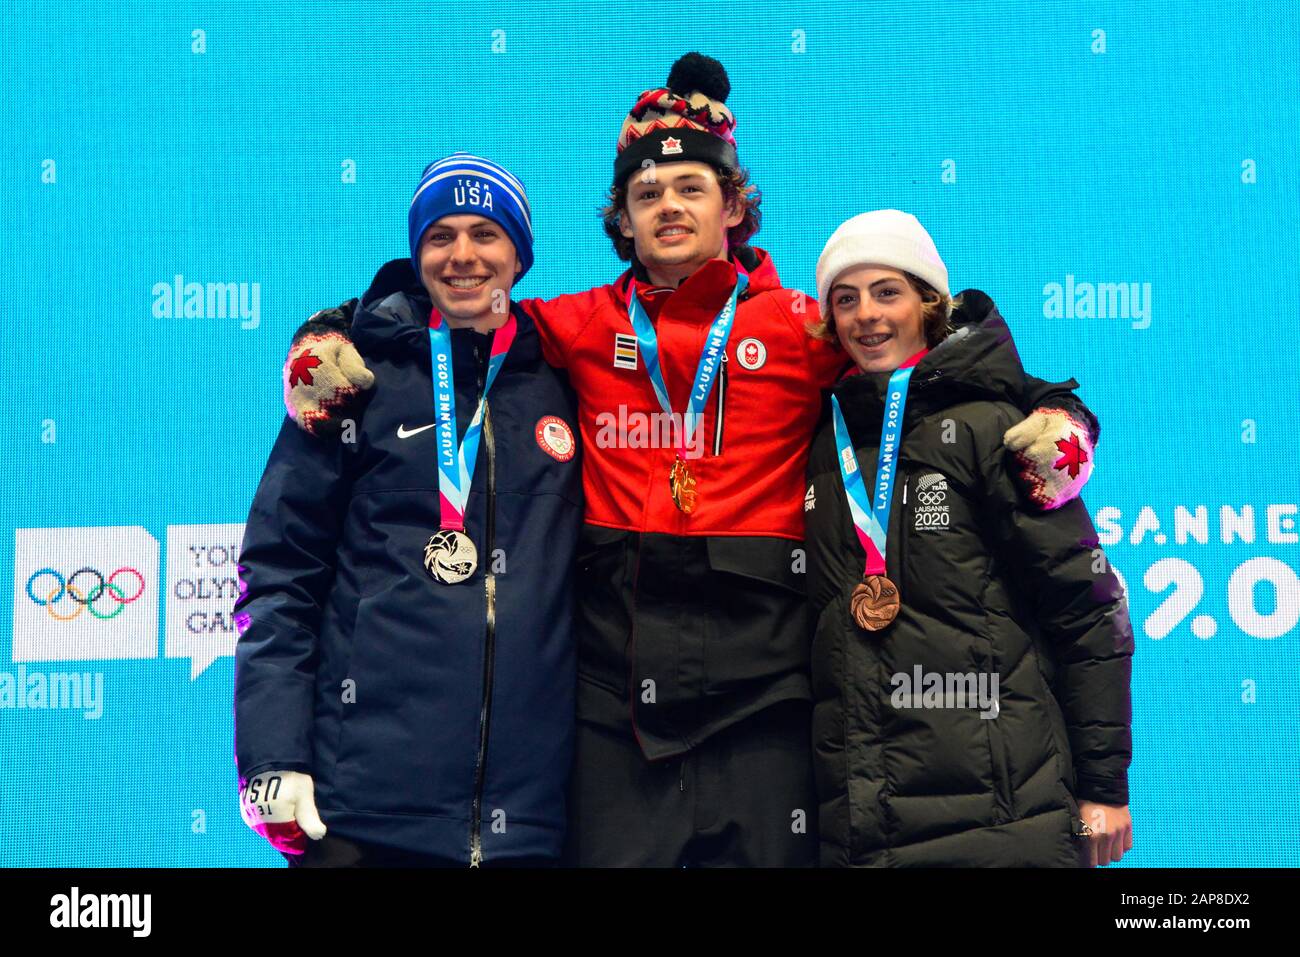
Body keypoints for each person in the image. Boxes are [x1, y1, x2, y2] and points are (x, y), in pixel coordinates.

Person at [276, 55, 1105, 867]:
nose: (667, 206)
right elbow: (452, 309)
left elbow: (938, 357)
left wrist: (1060, 408)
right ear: (622, 218)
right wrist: (331, 326)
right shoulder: (573, 326)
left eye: (690, 188)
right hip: (616, 713)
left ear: (732, 206)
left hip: (768, 705)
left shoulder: (805, 326)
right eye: (646, 193)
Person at [233, 152, 582, 867]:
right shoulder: (350, 377)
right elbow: (280, 571)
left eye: (485, 233)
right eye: (439, 235)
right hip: (362, 812)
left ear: (520, 254)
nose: (462, 256)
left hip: (531, 821)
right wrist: (272, 754)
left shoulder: (564, 379)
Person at [803, 210, 1134, 867]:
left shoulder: (1000, 430)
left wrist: (1104, 789)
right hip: (868, 830)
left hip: (1006, 824)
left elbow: (1089, 610)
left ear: (929, 304)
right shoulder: (827, 441)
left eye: (887, 291)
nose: (865, 314)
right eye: (846, 298)